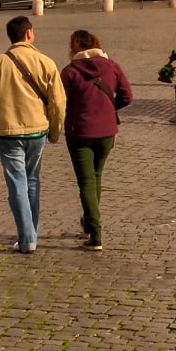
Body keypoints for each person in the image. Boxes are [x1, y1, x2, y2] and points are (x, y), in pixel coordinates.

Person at [0, 15, 66, 255]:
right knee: (33, 180)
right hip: (38, 130)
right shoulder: (46, 62)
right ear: (29, 34)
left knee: (17, 182)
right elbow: (59, 102)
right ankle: (31, 233)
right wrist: (55, 130)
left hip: (8, 131)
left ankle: (27, 237)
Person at [60, 30, 132, 251]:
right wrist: (109, 110)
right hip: (107, 132)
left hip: (79, 132)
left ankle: (95, 233)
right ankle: (89, 222)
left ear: (74, 48)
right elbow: (127, 96)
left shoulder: (70, 71)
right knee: (96, 176)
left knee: (87, 182)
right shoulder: (113, 66)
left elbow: (60, 101)